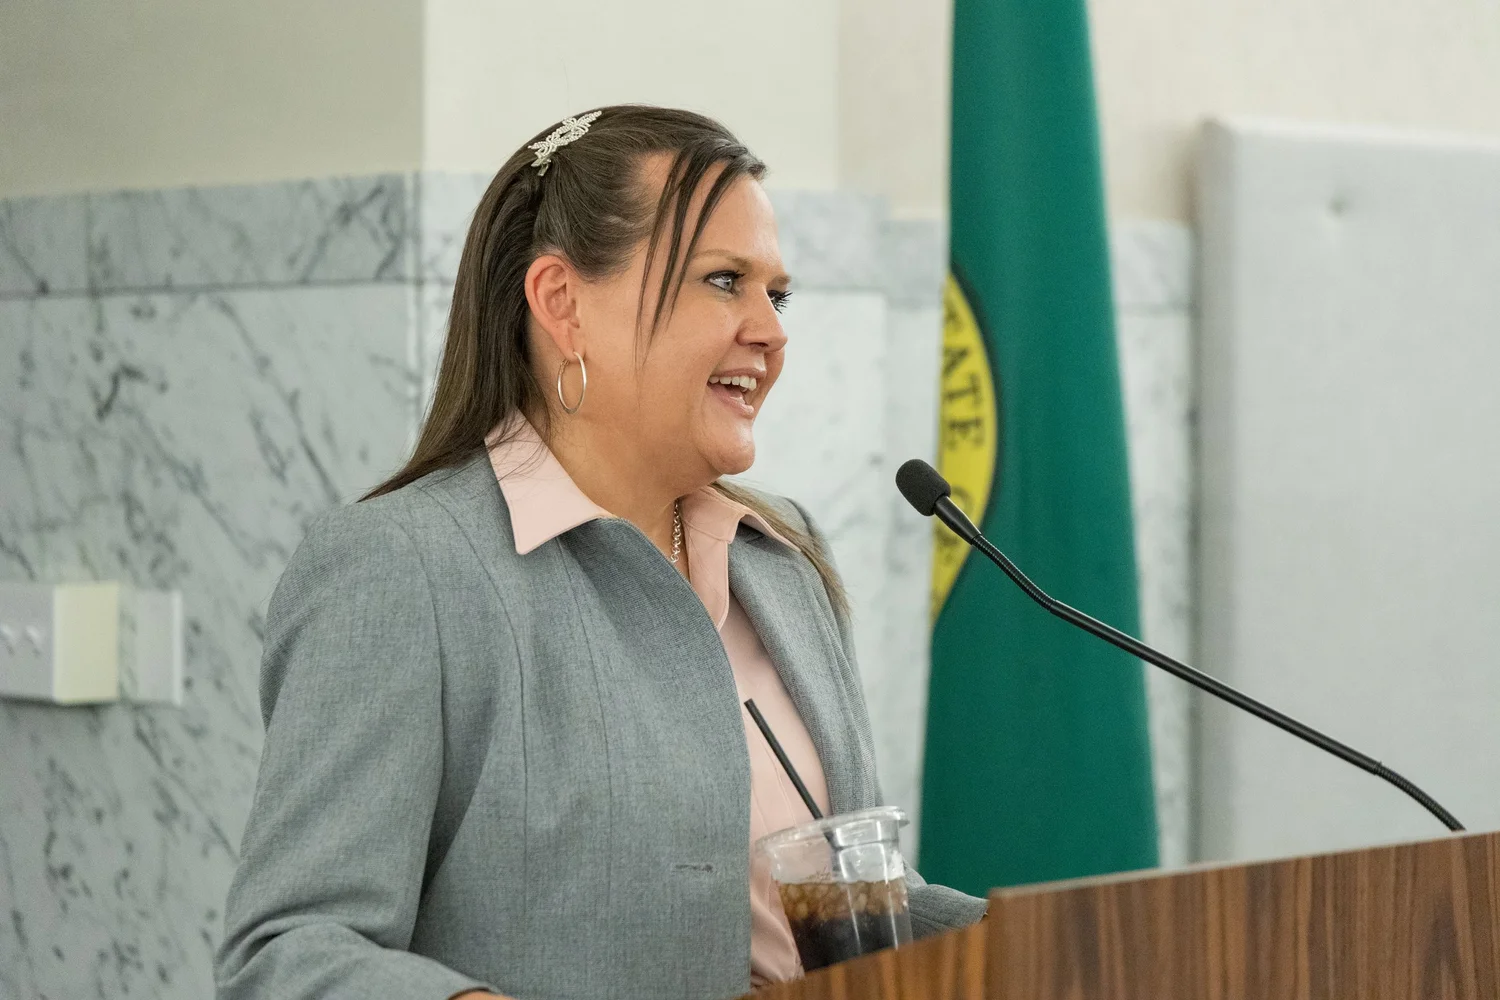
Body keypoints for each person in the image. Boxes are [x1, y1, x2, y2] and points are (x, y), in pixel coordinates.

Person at [214, 105, 985, 1000]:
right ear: (562, 303)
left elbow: (850, 914)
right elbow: (288, 954)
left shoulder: (782, 560)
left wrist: (1070, 937)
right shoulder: (402, 568)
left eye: (777, 295)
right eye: (724, 281)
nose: (772, 332)